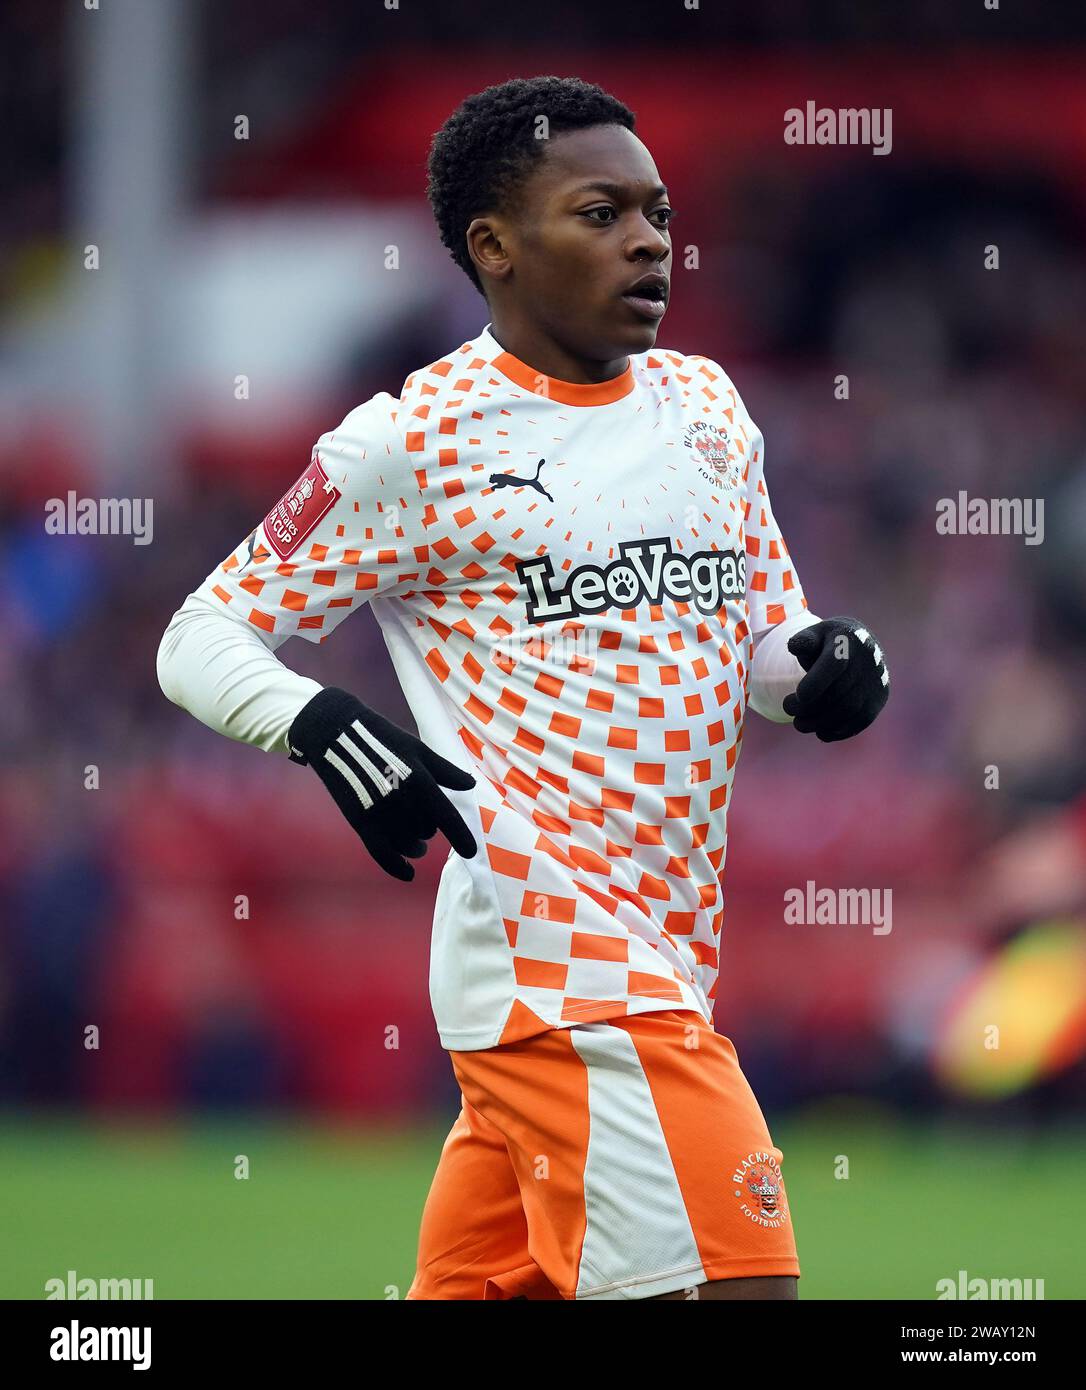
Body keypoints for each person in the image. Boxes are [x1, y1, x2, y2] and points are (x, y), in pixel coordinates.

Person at [156, 75, 889, 1300]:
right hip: (567, 971)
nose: (651, 238)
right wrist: (325, 722)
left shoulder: (707, 407)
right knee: (744, 1284)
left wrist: (818, 667)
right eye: (601, 213)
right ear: (494, 247)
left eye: (655, 211)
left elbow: (760, 630)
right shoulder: (414, 440)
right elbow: (201, 631)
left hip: (653, 951)